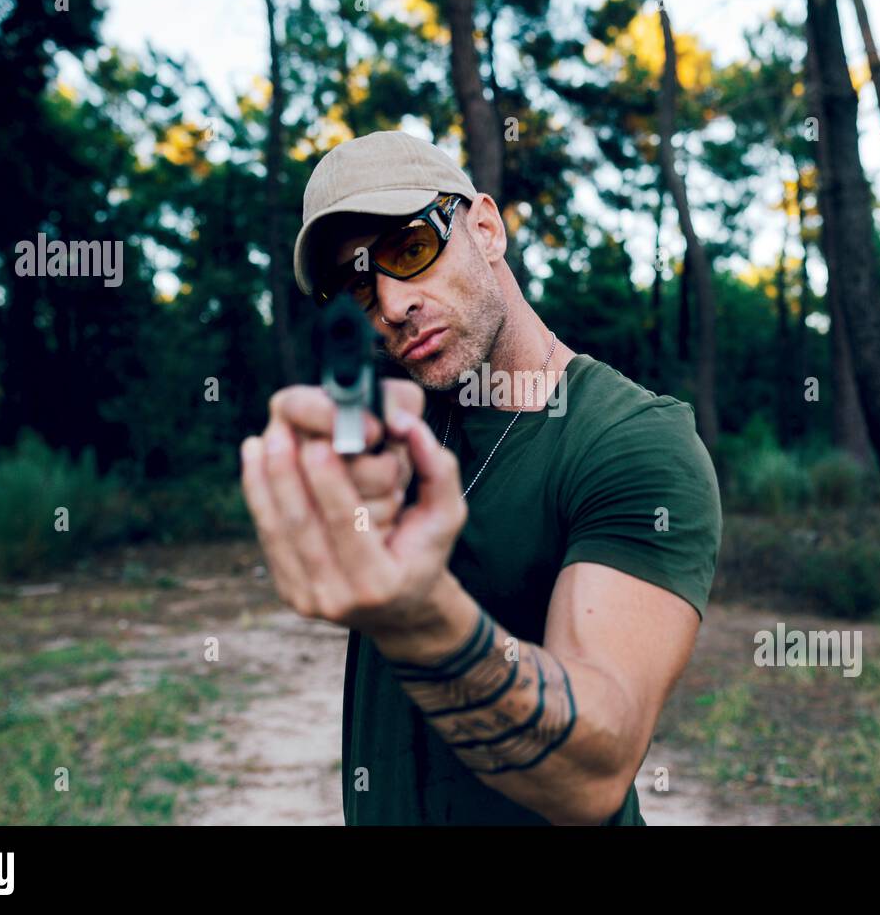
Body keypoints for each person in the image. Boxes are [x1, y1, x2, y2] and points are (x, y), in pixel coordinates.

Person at [239, 130, 722, 825]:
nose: (393, 305)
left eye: (411, 249)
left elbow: (597, 766)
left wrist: (420, 617)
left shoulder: (631, 441)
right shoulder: (401, 437)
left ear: (486, 228)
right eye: (357, 288)